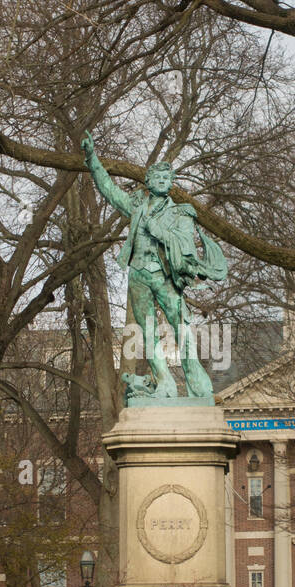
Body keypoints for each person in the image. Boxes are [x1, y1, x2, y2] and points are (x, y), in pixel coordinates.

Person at [81, 130, 226, 400]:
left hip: (165, 276)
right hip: (138, 274)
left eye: (166, 177)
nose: (161, 180)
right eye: (156, 177)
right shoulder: (136, 207)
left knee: (180, 328)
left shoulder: (180, 213)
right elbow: (109, 190)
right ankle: (164, 383)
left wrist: (157, 230)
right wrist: (92, 158)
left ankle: (197, 384)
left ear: (170, 183)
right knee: (147, 333)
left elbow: (185, 245)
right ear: (148, 182)